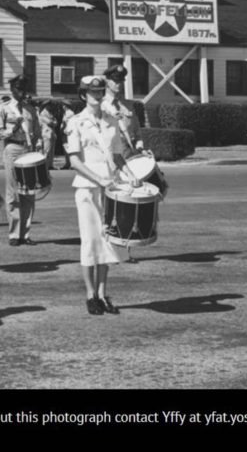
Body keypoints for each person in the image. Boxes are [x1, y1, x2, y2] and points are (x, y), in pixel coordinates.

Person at [64, 75, 139, 315]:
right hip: (87, 187)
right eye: (92, 92)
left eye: (99, 91)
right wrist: (98, 179)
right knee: (90, 240)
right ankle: (89, 295)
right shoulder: (76, 122)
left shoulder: (111, 121)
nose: (97, 95)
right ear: (83, 95)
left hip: (110, 187)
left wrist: (130, 173)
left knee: (109, 239)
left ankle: (102, 293)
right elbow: (74, 161)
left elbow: (117, 156)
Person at [0, 75, 43, 246]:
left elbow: (37, 133)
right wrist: (12, 129)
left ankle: (25, 234)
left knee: (29, 193)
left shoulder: (30, 109)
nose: (22, 93)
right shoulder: (3, 108)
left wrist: (39, 146)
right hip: (12, 149)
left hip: (28, 150)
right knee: (13, 192)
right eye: (19, 89)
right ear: (12, 89)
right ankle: (14, 234)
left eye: (24, 90)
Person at [102, 64, 146, 263]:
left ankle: (123, 252)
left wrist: (141, 146)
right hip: (108, 162)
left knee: (126, 208)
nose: (118, 84)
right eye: (114, 80)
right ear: (107, 81)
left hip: (128, 161)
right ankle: (106, 251)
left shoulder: (129, 106)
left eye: (121, 80)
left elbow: (136, 132)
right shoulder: (101, 105)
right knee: (108, 208)